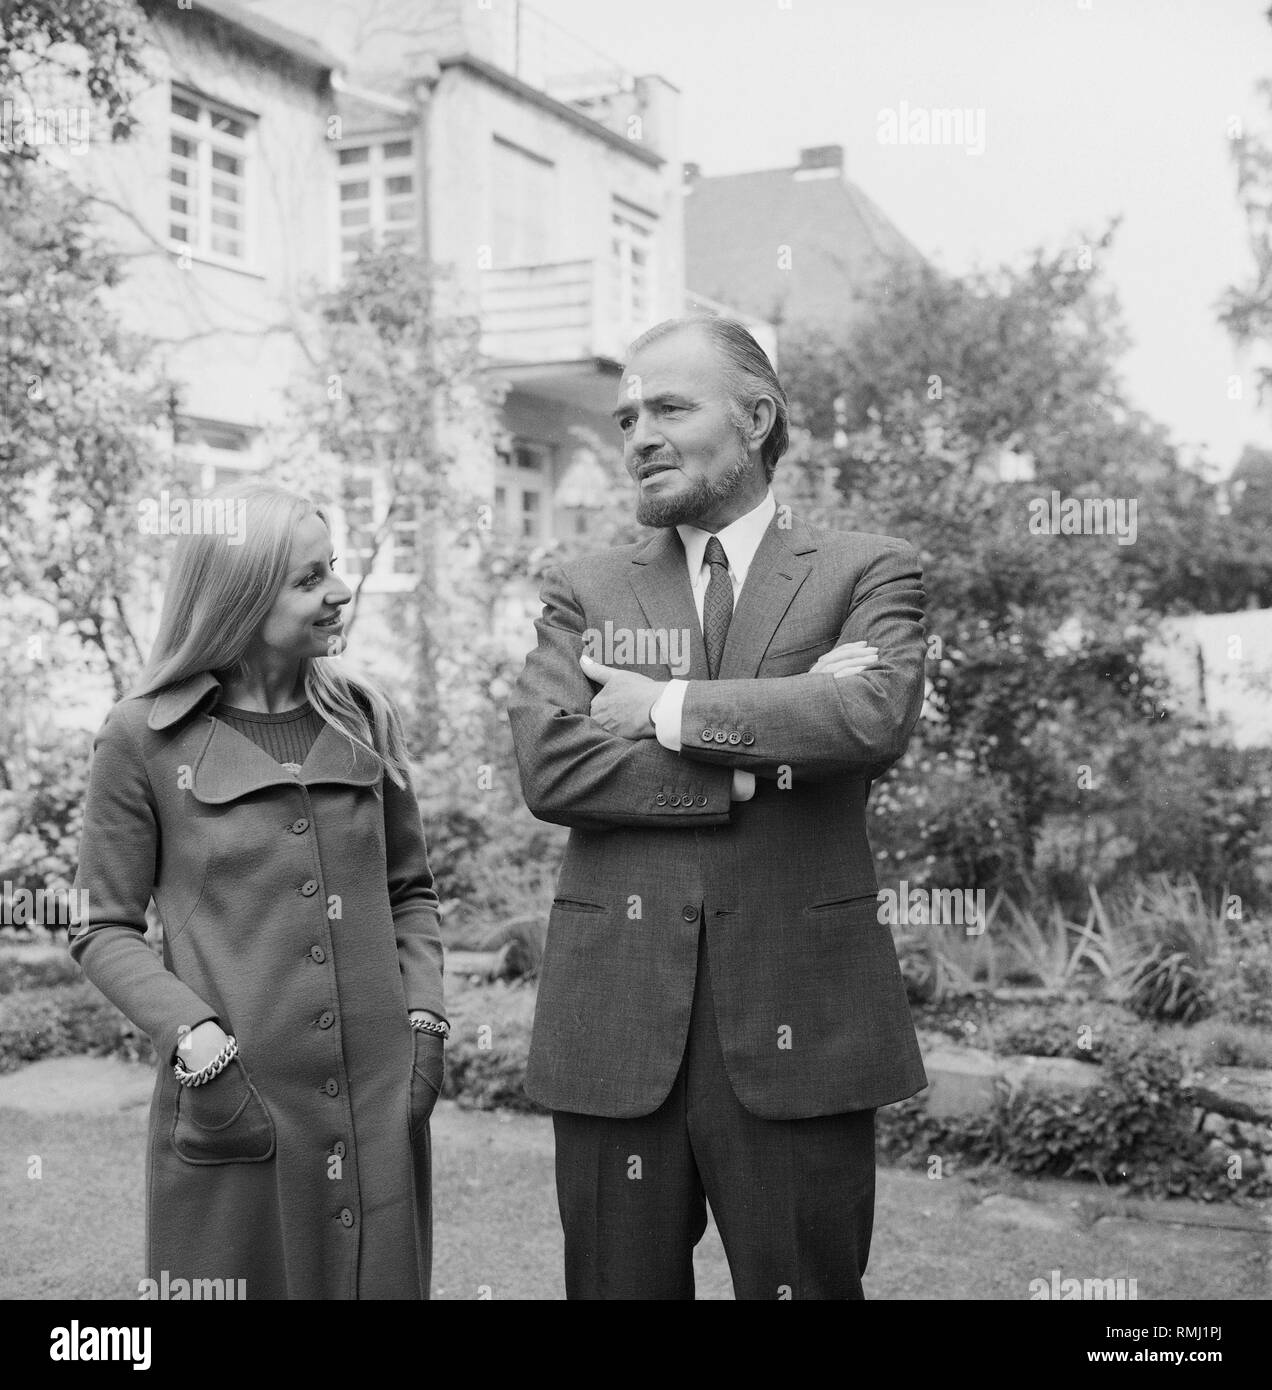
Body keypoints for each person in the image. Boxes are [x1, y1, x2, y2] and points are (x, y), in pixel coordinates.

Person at [507, 316, 928, 1300]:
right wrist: (744, 762)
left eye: (669, 407)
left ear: (756, 416)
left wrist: (660, 709)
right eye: (625, 417)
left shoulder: (867, 568)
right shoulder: (584, 586)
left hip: (803, 1026)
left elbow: (867, 716)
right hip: (614, 1026)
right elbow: (548, 766)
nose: (639, 435)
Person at [69, 484, 447, 1300]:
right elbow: (102, 926)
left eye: (334, 570)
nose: (339, 592)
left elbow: (410, 891)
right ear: (238, 597)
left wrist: (425, 1021)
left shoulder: (363, 718)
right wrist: (198, 1042)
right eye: (309, 579)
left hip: (379, 1102)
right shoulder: (141, 737)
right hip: (238, 1101)